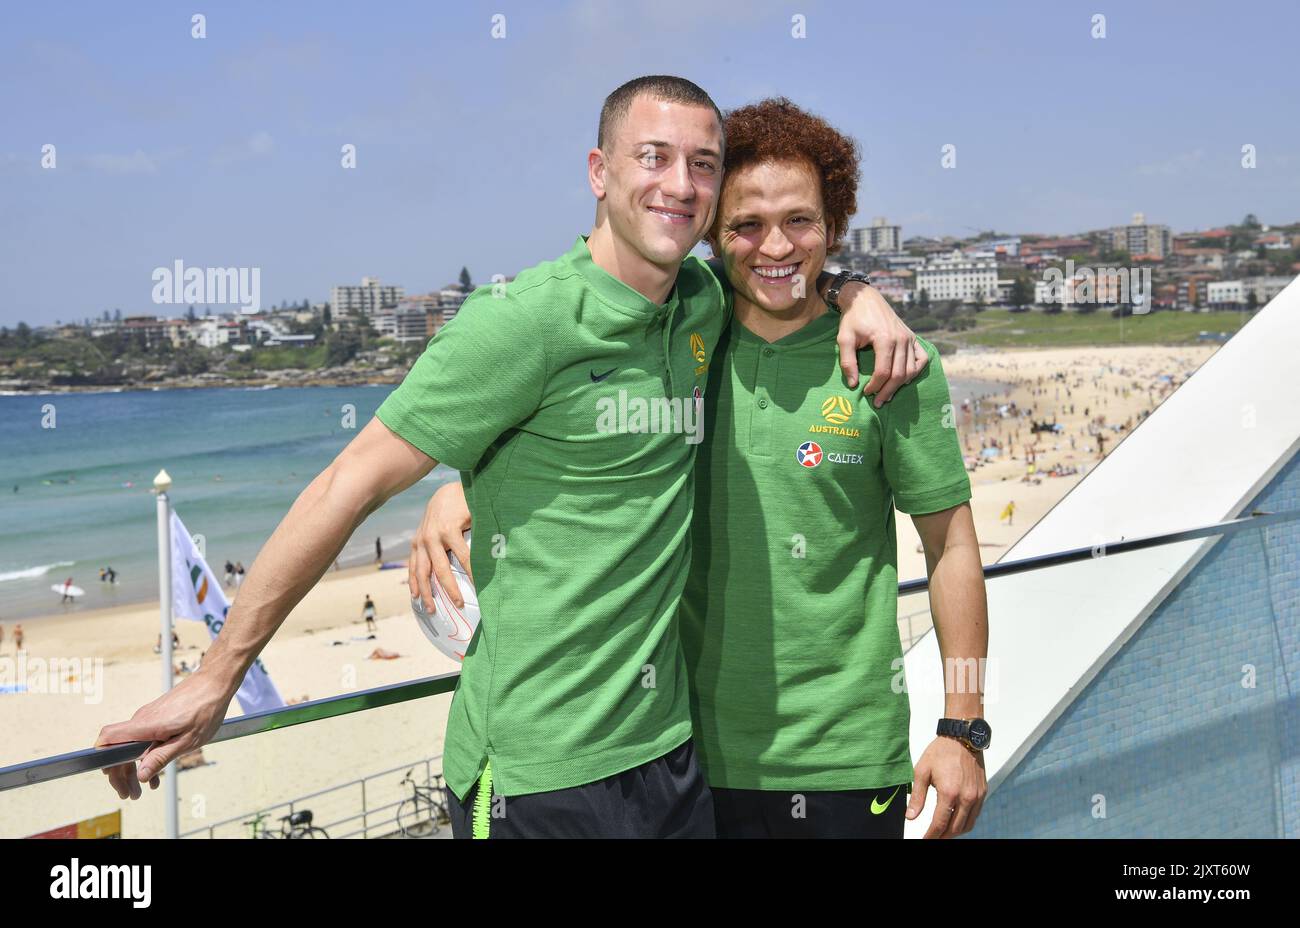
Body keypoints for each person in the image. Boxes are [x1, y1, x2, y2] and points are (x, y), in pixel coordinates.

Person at [95, 75, 921, 827]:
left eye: (703, 165)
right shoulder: (519, 321)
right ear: (599, 171)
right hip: (537, 777)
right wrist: (218, 676)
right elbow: (348, 483)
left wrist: (859, 294)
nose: (681, 184)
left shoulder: (701, 304)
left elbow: (786, 268)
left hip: (671, 759)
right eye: (654, 157)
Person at [421, 97, 989, 839]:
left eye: (800, 221)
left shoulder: (892, 366)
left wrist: (963, 727)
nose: (776, 247)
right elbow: (561, 422)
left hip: (846, 768)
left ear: (834, 224)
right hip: (681, 766)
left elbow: (952, 546)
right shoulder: (679, 334)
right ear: (712, 233)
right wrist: (456, 487)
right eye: (747, 225)